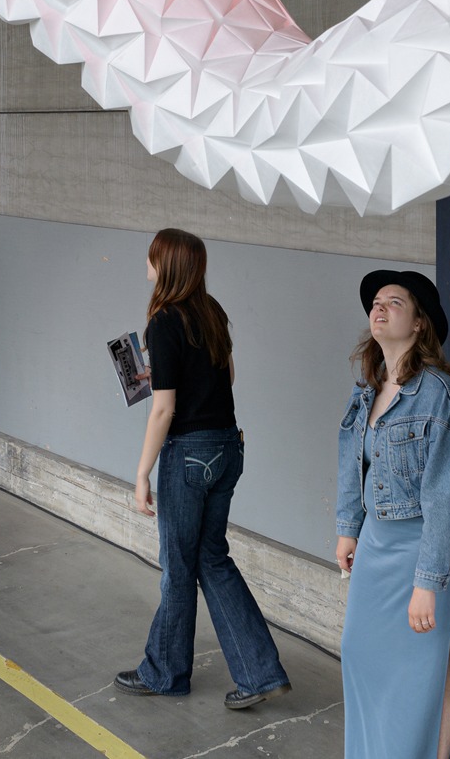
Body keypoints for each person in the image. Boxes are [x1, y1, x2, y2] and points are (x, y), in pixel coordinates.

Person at [116, 228, 290, 709]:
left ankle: (166, 673)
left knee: (177, 567)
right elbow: (226, 375)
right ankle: (259, 672)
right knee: (211, 558)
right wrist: (170, 373)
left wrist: (141, 473)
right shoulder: (212, 313)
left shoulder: (164, 321)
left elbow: (163, 411)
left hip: (188, 454)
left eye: (152, 255)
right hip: (227, 447)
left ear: (166, 265)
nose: (146, 262)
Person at [337, 269, 450, 759]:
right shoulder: (368, 389)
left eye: (394, 302)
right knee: (361, 653)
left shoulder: (439, 395)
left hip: (426, 547)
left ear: (420, 324)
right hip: (378, 542)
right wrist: (348, 528)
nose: (379, 308)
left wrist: (428, 580)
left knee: (428, 667)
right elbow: (353, 461)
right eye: (375, 302)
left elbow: (442, 497)